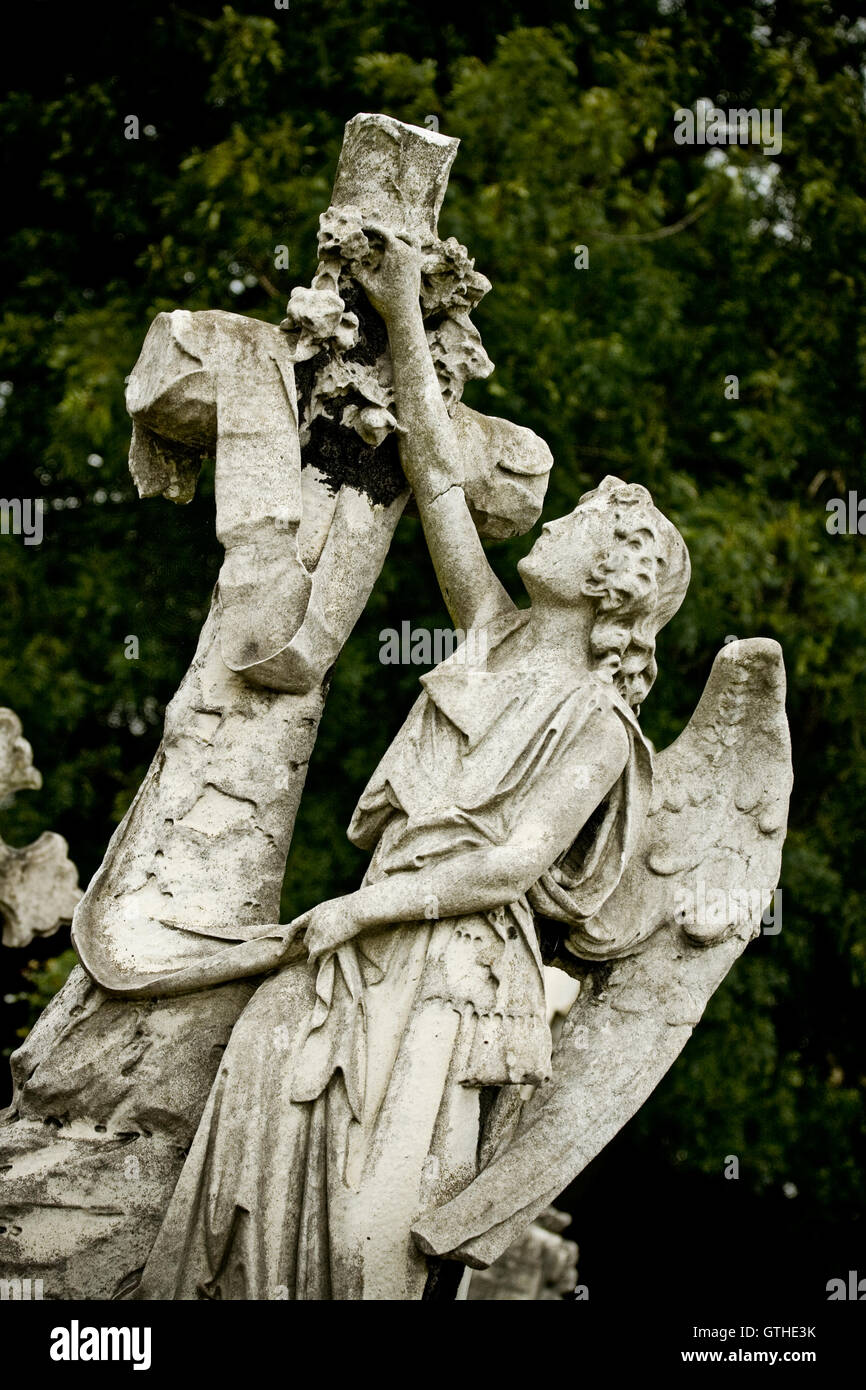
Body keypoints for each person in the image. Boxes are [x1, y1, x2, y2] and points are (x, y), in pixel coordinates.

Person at [134, 229, 691, 1302]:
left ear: (615, 584)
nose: (558, 521)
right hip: (378, 930)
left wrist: (365, 909)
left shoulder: (593, 722)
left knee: (364, 1226)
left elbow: (507, 864)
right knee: (257, 1114)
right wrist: (396, 318)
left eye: (579, 524)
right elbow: (434, 471)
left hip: (447, 968)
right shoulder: (493, 628)